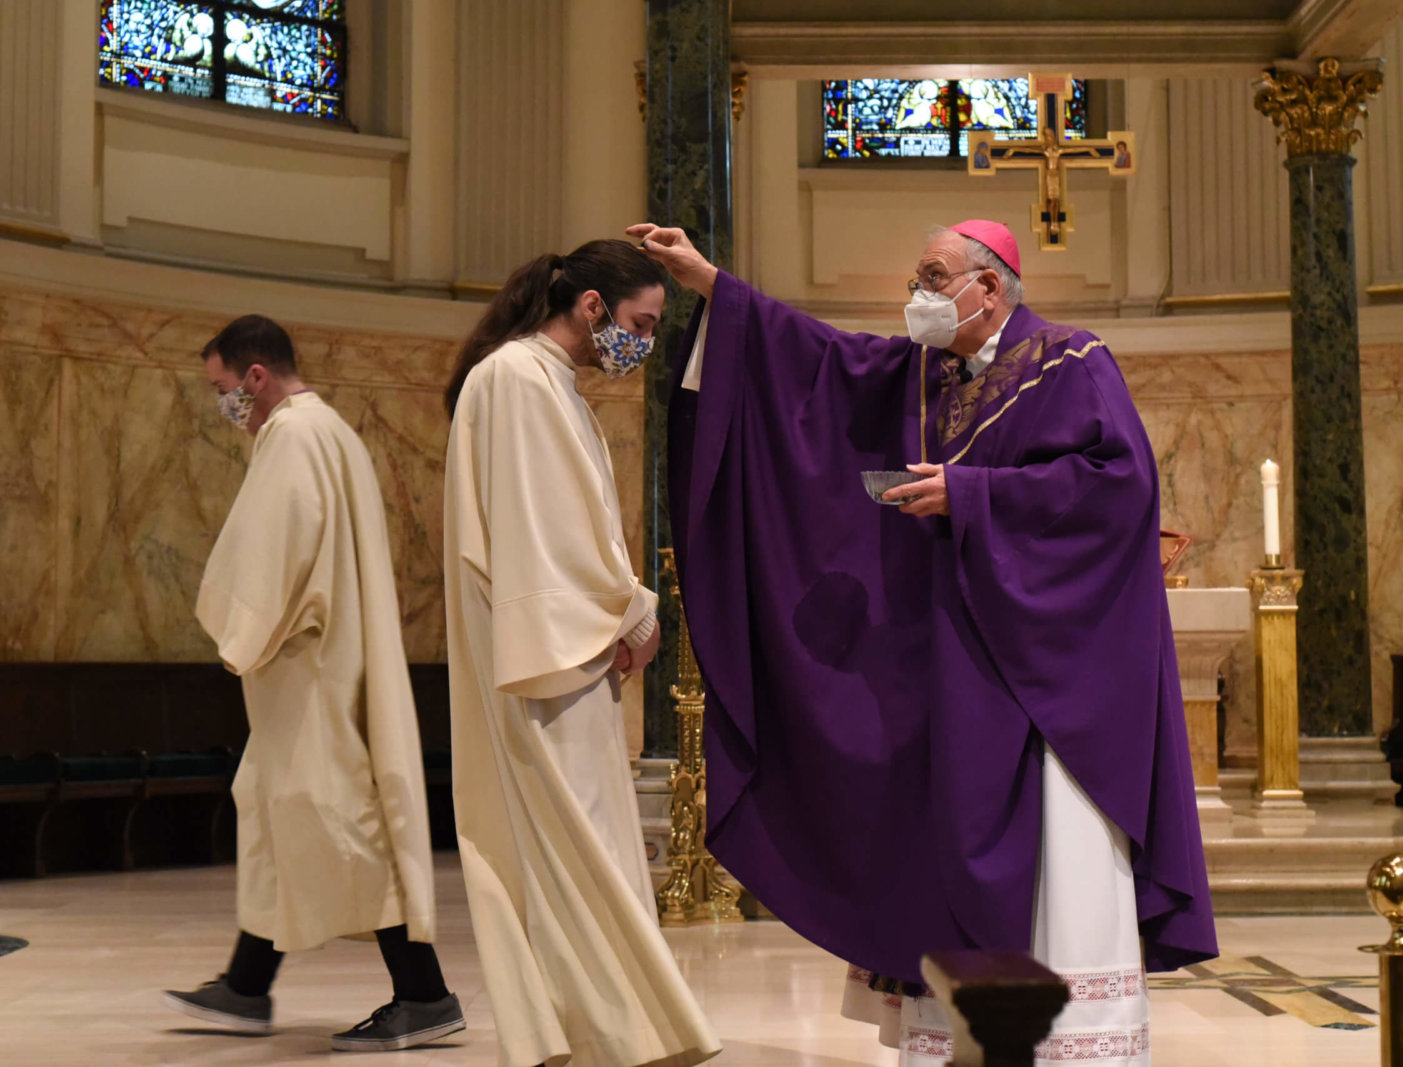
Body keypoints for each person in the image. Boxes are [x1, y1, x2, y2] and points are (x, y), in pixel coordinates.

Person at [632, 218, 1217, 1066]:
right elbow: (819, 359)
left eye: (935, 277)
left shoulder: (1071, 359)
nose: (919, 296)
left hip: (1045, 674)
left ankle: (1069, 1036)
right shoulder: (925, 373)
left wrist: (972, 495)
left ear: (992, 285)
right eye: (917, 277)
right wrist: (710, 283)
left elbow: (1116, 487)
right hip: (953, 659)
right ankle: (956, 1025)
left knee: (1054, 840)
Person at [442, 240, 721, 1067]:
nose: (641, 343)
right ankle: (610, 1028)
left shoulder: (544, 382)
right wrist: (633, 612)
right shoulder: (520, 378)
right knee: (577, 844)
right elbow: (546, 533)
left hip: (565, 650)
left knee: (584, 845)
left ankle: (612, 1025)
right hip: (549, 655)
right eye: (639, 323)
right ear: (593, 307)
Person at [165, 315, 464, 1052]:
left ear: (256, 376)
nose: (222, 403)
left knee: (340, 823)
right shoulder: (329, 429)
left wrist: (236, 630)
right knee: (274, 814)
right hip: (324, 661)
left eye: (222, 388)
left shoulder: (293, 437)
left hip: (310, 667)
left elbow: (272, 555)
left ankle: (423, 992)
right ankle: (244, 983)